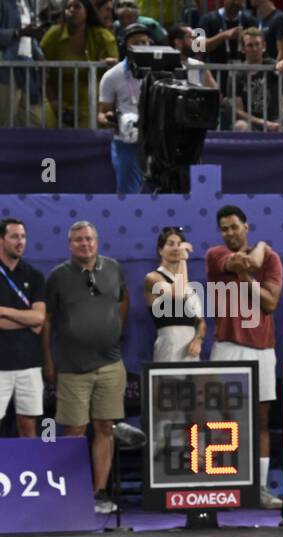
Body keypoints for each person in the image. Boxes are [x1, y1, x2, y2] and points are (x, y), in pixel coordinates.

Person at [42, 220, 127, 514]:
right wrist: (49, 360)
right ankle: (74, 495)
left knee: (105, 427)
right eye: (78, 240)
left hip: (111, 365)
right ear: (70, 245)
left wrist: (112, 332)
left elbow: (121, 303)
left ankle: (100, 492)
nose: (85, 244)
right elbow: (47, 320)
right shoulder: (57, 277)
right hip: (72, 369)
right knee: (75, 429)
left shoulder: (114, 268)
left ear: (97, 241)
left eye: (89, 239)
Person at [205, 204, 283, 508]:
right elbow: (245, 262)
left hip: (263, 350)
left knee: (260, 421)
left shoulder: (273, 260)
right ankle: (224, 486)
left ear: (246, 226)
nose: (230, 233)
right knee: (223, 420)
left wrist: (248, 276)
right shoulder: (215, 255)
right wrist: (259, 249)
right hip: (227, 346)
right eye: (224, 228)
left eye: (234, 227)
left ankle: (260, 488)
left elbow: (271, 303)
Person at [0, 218, 46, 438]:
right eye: (14, 237)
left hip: (29, 364)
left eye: (23, 236)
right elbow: (32, 320)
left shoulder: (34, 275)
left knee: (28, 424)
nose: (21, 242)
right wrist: (26, 320)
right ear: (1, 240)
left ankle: (31, 469)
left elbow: (39, 318)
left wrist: (3, 311)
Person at [40, 0, 118, 129]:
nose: (71, 10)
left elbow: (115, 72)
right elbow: (41, 69)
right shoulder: (53, 35)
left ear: (87, 11)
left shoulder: (103, 36)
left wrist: (112, 64)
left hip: (93, 102)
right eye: (68, 7)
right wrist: (54, 102)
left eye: (77, 6)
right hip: (57, 102)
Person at [96, 22, 150, 194]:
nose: (141, 46)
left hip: (155, 140)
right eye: (136, 42)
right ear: (125, 45)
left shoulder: (161, 72)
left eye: (145, 42)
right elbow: (102, 113)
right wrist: (108, 119)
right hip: (126, 141)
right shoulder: (112, 76)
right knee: (129, 194)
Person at [143, 226, 205, 362]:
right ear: (160, 250)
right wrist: (183, 260)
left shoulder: (188, 285)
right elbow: (177, 295)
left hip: (191, 352)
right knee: (168, 383)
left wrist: (198, 340)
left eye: (179, 245)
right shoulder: (152, 278)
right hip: (168, 348)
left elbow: (200, 322)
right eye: (170, 244)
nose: (176, 249)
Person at [0, 0, 46, 128]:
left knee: (35, 121)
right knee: (5, 121)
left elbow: (29, 35)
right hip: (6, 68)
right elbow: (22, 32)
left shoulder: (27, 3)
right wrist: (18, 32)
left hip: (28, 67)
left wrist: (39, 55)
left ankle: (32, 148)